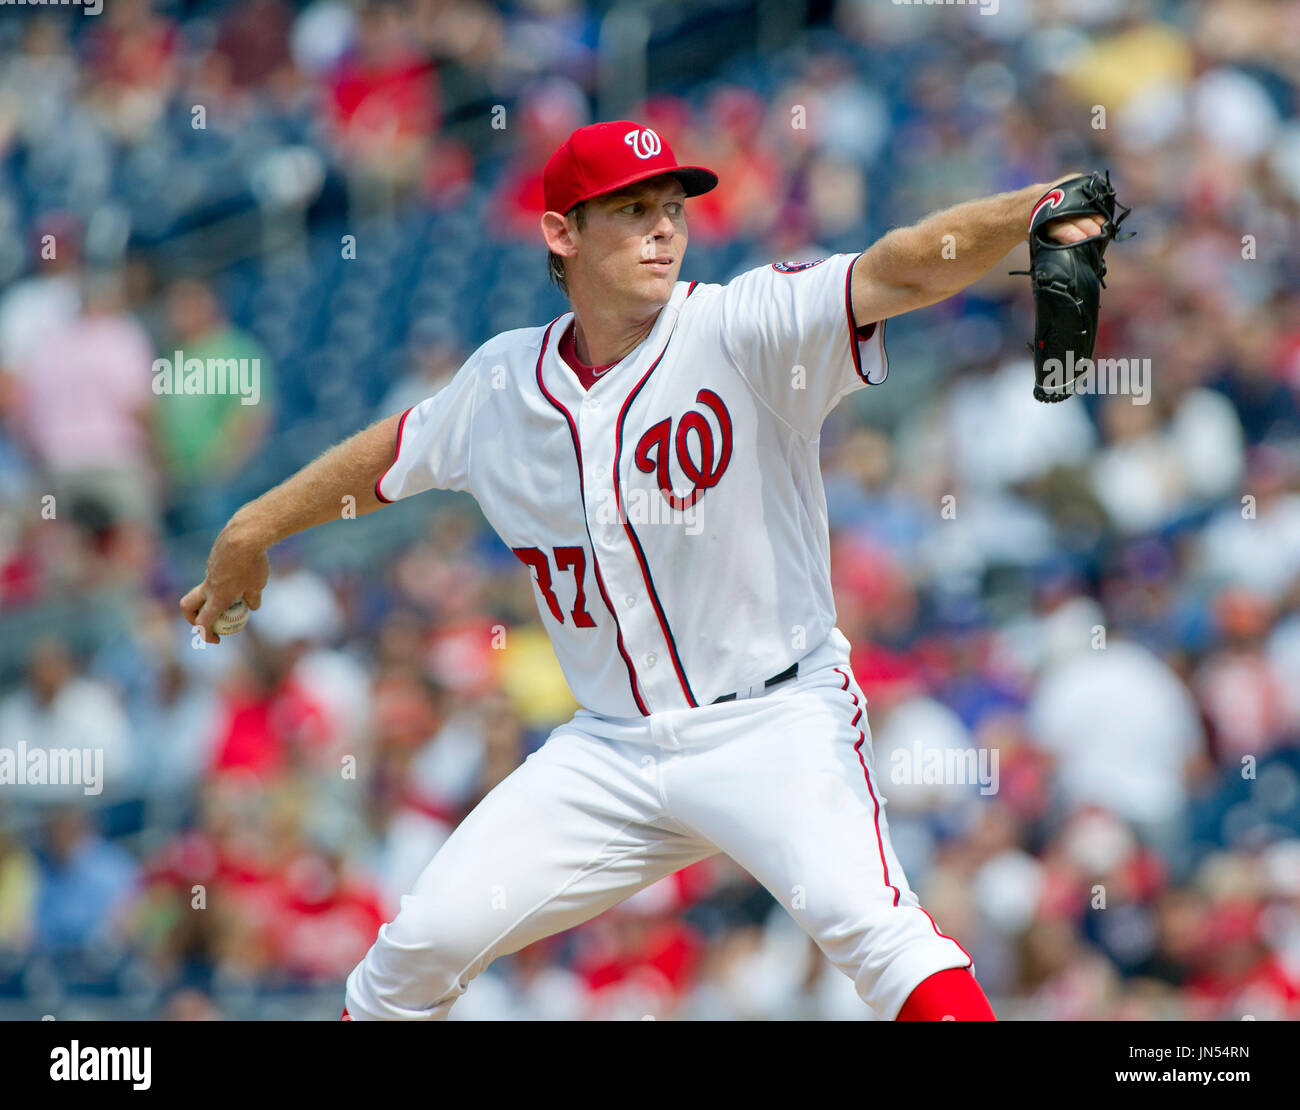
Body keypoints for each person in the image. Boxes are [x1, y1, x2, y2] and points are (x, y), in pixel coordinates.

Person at [182, 120, 1104, 1021]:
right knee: (412, 954)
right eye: (629, 209)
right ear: (561, 233)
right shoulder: (501, 385)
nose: (664, 226)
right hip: (610, 751)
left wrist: (1032, 210)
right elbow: (391, 456)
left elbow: (899, 267)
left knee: (881, 936)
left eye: (673, 205)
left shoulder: (744, 327)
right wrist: (251, 529)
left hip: (772, 720)